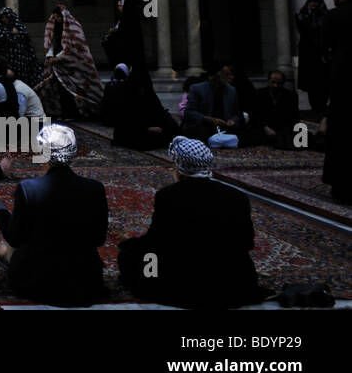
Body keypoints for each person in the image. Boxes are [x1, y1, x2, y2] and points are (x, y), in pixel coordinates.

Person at [118, 137, 266, 309]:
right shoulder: (237, 197)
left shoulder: (168, 196)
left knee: (129, 257)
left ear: (179, 168)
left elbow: (156, 242)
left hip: (185, 285)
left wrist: (130, 244)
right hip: (233, 284)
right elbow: (247, 242)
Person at [0, 124, 108, 306]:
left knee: (17, 245)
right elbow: (99, 238)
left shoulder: (29, 188)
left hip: (36, 283)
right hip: (86, 284)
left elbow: (14, 238)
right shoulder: (96, 188)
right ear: (73, 153)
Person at [37, 3, 103, 120]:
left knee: (72, 90)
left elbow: (74, 47)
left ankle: (74, 113)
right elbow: (53, 43)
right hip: (58, 66)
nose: (56, 19)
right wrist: (51, 56)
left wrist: (59, 57)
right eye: (55, 17)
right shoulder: (55, 28)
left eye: (58, 17)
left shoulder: (73, 27)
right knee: (61, 89)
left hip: (72, 66)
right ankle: (64, 113)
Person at [322, 0, 352, 202]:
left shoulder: (333, 16)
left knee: (340, 131)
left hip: (342, 76)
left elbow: (325, 46)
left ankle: (341, 187)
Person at [110, 65, 180, 150]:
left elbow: (159, 111)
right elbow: (126, 121)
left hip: (150, 126)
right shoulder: (127, 95)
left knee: (171, 130)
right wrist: (146, 129)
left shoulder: (149, 94)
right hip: (133, 131)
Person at [182, 66, 244, 143]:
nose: (231, 77)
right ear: (217, 75)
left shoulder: (231, 90)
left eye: (231, 74)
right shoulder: (197, 89)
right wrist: (208, 119)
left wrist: (232, 121)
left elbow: (236, 114)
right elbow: (189, 112)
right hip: (204, 126)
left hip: (224, 127)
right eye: (227, 74)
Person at [295, 0, 329, 115]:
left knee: (323, 82)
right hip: (308, 53)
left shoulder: (326, 14)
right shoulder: (301, 15)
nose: (313, 4)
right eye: (311, 1)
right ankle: (315, 108)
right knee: (310, 84)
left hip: (321, 53)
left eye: (315, 1)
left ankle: (321, 108)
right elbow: (307, 29)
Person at [0, 6, 42, 90]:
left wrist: (11, 36)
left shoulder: (18, 26)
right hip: (7, 60)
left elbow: (25, 37)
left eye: (6, 17)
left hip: (21, 61)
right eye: (2, 17)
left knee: (21, 83)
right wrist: (11, 34)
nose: (4, 19)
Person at [251, 70, 301, 148]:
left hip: (283, 129)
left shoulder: (291, 96)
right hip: (264, 128)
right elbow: (254, 114)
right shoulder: (259, 94)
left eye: (279, 83)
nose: (275, 86)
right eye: (273, 82)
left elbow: (294, 117)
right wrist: (265, 128)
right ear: (268, 81)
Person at [102, 0, 146, 71]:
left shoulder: (130, 19)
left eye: (120, 6)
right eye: (118, 6)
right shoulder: (123, 18)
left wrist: (114, 32)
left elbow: (126, 33)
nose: (119, 8)